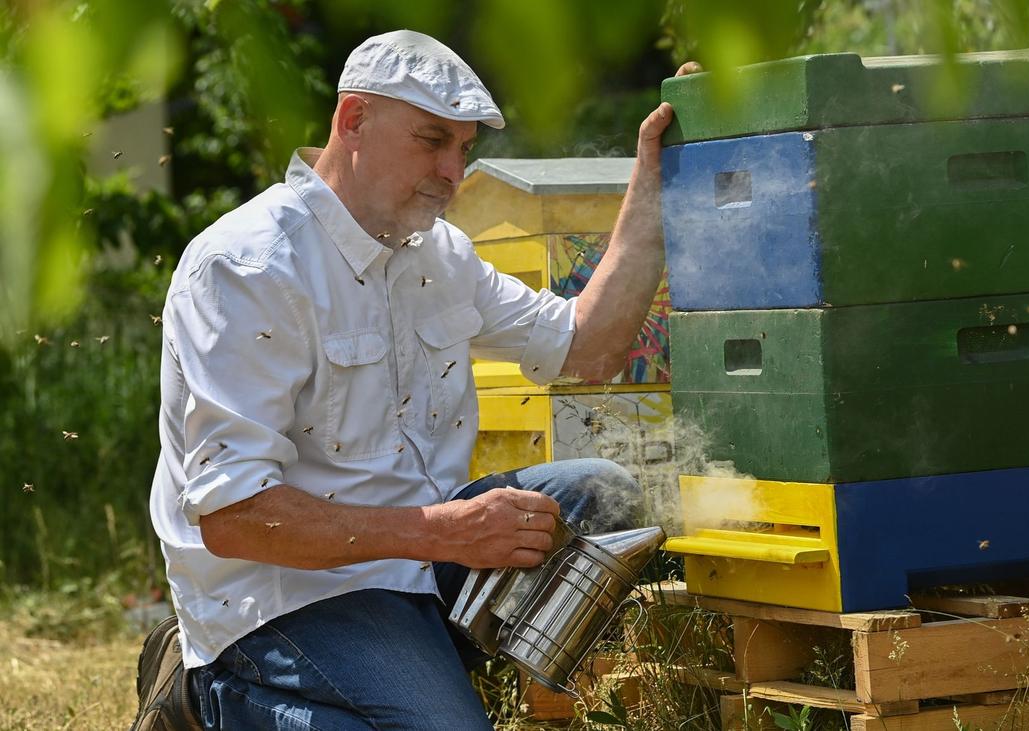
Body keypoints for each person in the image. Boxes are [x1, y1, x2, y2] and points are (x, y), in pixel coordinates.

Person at [130, 30, 697, 730]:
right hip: (283, 594)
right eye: (432, 141)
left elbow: (590, 345)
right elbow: (235, 517)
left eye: (464, 149)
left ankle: (434, 665)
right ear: (353, 121)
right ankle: (204, 693)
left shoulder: (440, 253)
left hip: (418, 564)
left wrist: (655, 182)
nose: (452, 174)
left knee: (603, 495)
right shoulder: (248, 266)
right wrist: (443, 532)